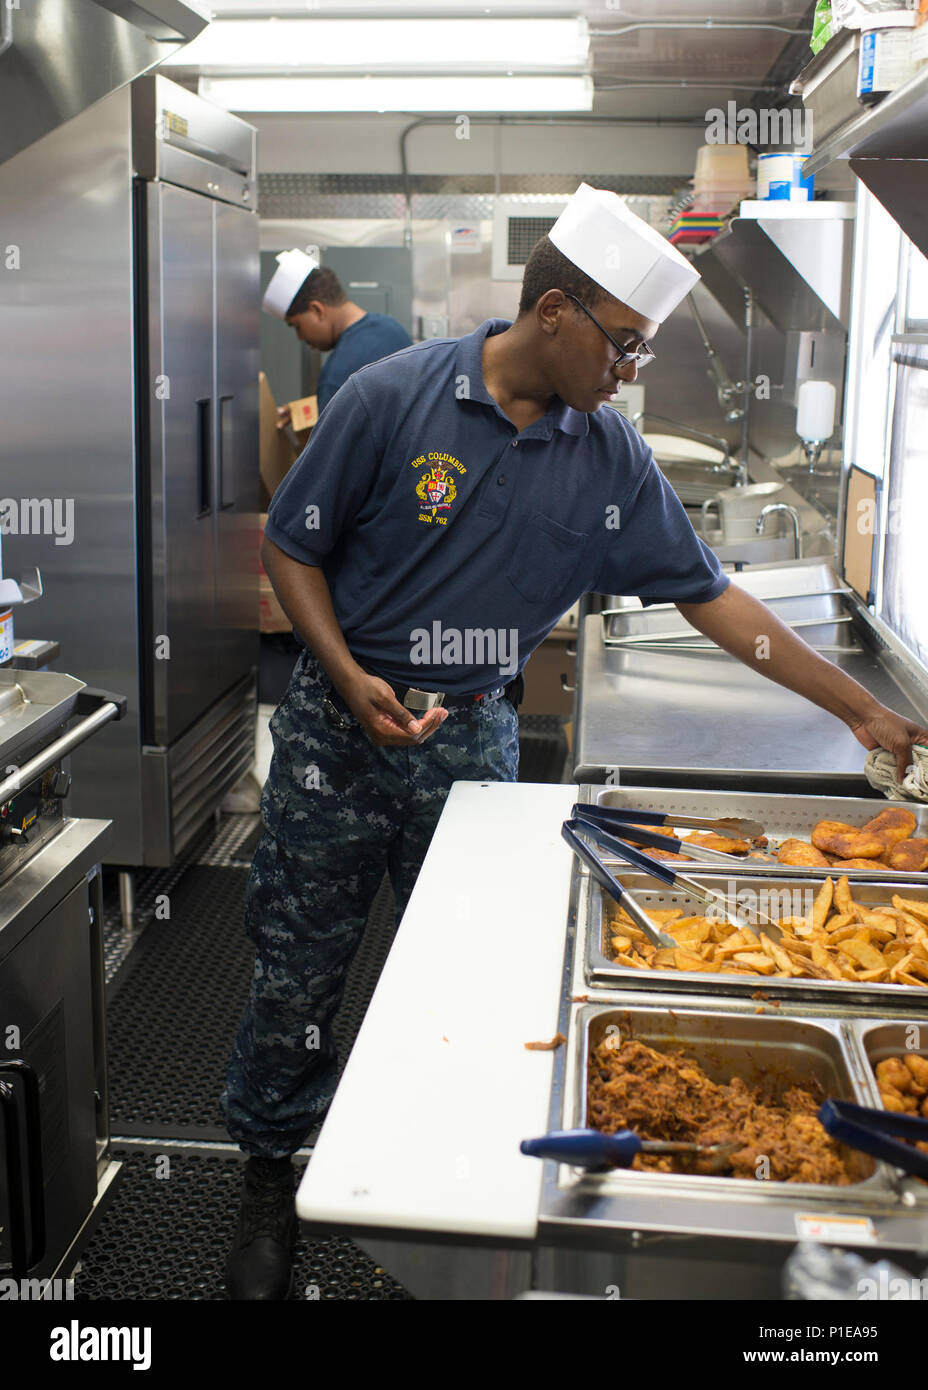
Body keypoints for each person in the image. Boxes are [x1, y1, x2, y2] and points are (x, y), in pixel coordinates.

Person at [223, 184, 928, 1299]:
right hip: (336, 732)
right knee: (298, 963)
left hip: (473, 741)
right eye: (624, 342)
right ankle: (268, 1175)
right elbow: (292, 552)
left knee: (473, 984)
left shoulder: (605, 459)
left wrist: (858, 709)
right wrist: (352, 676)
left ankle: (443, 1192)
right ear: (554, 312)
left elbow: (713, 596)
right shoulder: (388, 396)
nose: (632, 369)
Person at [262, 248, 412, 418]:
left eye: (296, 326)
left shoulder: (337, 377)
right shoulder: (391, 328)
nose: (300, 337)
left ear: (317, 310)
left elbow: (333, 443)